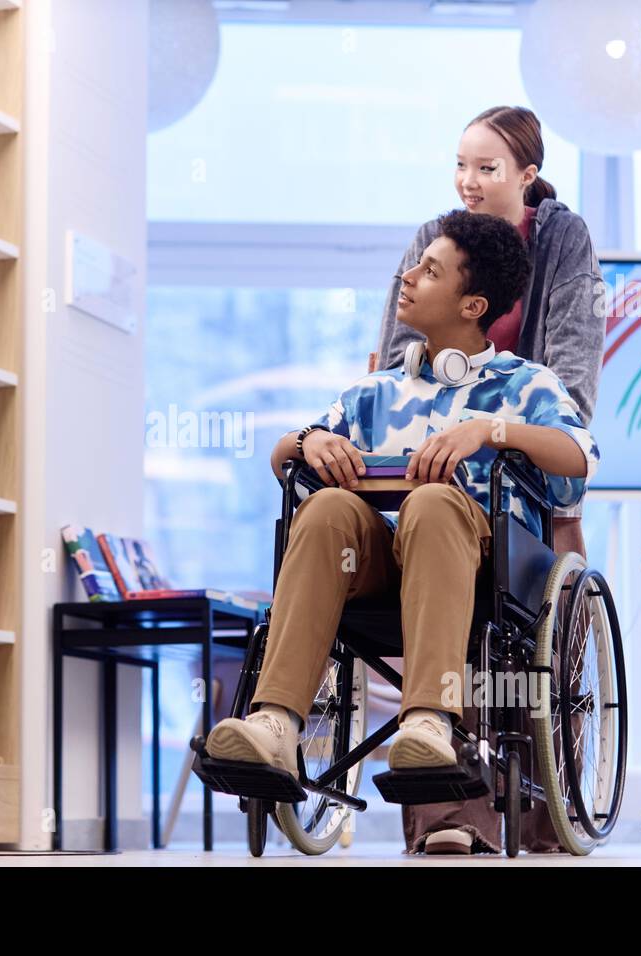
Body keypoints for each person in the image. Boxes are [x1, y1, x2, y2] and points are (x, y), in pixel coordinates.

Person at [204, 211, 600, 852]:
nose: (407, 276)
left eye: (429, 270)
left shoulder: (526, 386)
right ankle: (275, 723)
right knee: (327, 510)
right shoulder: (373, 394)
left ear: (473, 304)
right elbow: (281, 458)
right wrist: (312, 440)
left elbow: (579, 458)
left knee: (434, 504)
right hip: (382, 569)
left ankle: (430, 724)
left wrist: (489, 430)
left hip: (481, 571)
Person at [372, 104, 608, 854]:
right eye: (462, 165)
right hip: (436, 452)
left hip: (522, 433)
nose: (469, 183)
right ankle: (448, 816)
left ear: (527, 176)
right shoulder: (434, 237)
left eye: (488, 169)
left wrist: (517, 422)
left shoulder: (562, 242)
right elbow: (392, 355)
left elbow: (573, 376)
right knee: (436, 594)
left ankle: (550, 812)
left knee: (548, 614)